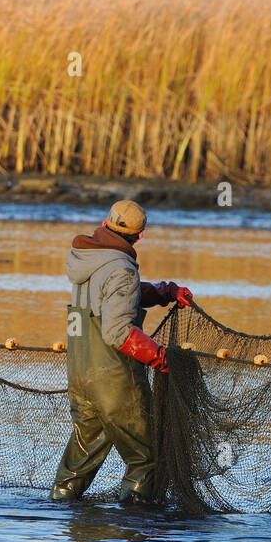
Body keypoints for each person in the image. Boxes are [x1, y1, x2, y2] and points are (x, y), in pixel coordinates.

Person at [50, 200, 194, 505]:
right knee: (147, 456)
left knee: (83, 452)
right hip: (112, 380)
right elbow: (116, 331)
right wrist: (161, 359)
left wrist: (164, 292)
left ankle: (62, 517)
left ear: (105, 225)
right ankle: (133, 530)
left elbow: (115, 294)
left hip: (79, 374)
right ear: (139, 237)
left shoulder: (86, 257)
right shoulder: (121, 269)